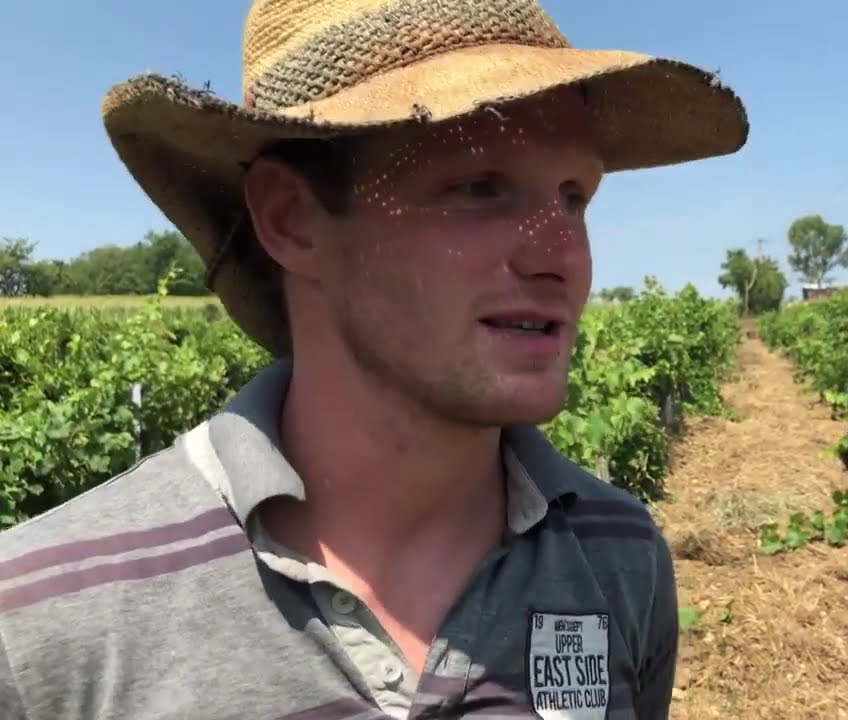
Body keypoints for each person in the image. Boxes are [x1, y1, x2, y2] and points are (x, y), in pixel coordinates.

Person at [0, 2, 749, 719]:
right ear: (293, 221)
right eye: (479, 187)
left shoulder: (620, 558)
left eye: (574, 198)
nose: (563, 257)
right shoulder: (43, 624)